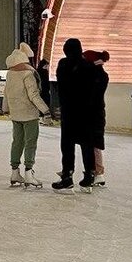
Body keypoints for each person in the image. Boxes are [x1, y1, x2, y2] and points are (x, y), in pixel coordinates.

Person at [53, 38, 101, 189]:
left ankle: (67, 176)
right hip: (87, 112)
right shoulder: (89, 66)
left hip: (69, 111)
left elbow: (60, 85)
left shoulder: (63, 64)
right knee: (87, 144)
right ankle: (89, 175)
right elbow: (96, 89)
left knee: (67, 145)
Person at [2, 45, 51, 188]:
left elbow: (6, 93)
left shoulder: (10, 73)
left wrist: (6, 109)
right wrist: (46, 110)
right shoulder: (28, 73)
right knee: (30, 143)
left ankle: (14, 172)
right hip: (29, 114)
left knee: (17, 142)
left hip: (16, 114)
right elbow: (33, 95)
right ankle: (29, 173)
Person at [84, 49, 110, 182]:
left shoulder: (92, 75)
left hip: (92, 113)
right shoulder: (103, 74)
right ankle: (98, 172)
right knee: (96, 143)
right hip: (99, 112)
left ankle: (97, 172)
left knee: (92, 143)